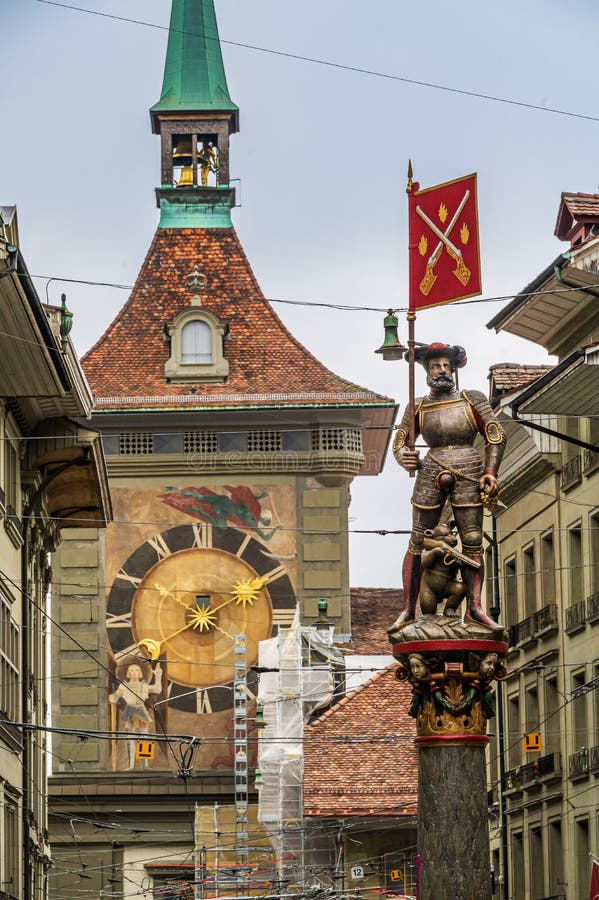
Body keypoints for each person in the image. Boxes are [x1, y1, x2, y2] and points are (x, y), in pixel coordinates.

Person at [388, 343, 506, 635]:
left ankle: (476, 608)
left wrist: (491, 471)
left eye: (445, 366)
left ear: (453, 369)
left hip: (467, 465)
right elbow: (400, 443)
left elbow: (496, 436)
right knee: (417, 540)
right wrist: (405, 457)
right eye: (435, 366)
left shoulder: (472, 399)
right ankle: (407, 609)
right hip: (431, 468)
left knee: (473, 539)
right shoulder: (416, 406)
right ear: (426, 371)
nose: (441, 370)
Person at [109, 662, 162, 769]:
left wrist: (158, 677)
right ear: (129, 673)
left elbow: (157, 689)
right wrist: (111, 696)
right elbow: (114, 697)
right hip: (129, 711)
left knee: (144, 739)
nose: (134, 672)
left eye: (136, 670)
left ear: (140, 673)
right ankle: (131, 765)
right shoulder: (124, 686)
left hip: (141, 711)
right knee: (130, 741)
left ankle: (145, 765)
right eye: (132, 670)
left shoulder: (144, 685)